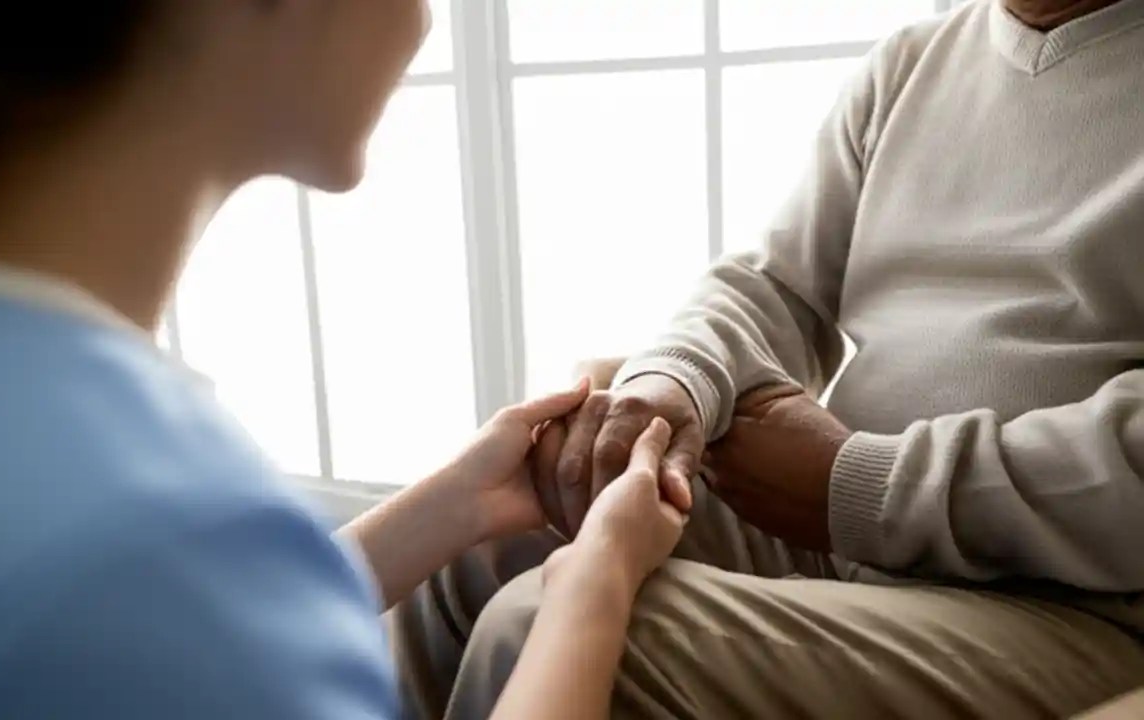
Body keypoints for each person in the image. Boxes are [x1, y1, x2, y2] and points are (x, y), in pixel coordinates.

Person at [0, 3, 693, 719]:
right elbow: (165, 595)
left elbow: (156, 637)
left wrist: (453, 505)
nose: (425, 20)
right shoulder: (157, 522)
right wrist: (597, 583)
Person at [393, 0, 1144, 717]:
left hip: (1071, 602)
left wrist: (854, 488)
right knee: (483, 539)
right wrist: (673, 382)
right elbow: (775, 286)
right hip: (847, 534)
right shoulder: (911, 65)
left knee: (544, 627)